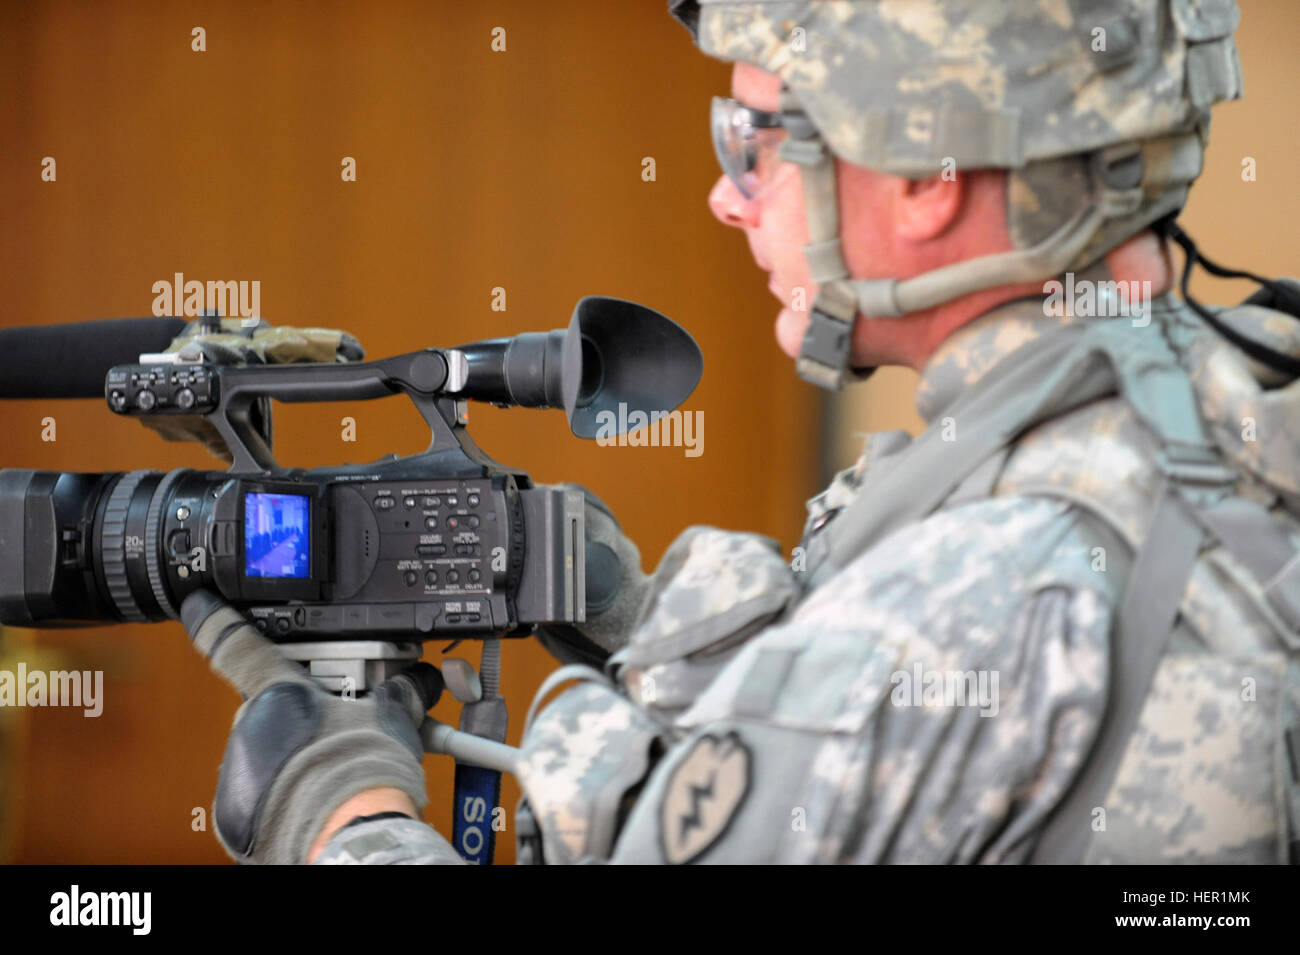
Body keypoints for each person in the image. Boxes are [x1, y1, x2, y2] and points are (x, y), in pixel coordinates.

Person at [180, 0, 1300, 864]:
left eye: (749, 137)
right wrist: (629, 615)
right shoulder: (1236, 422)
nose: (728, 194)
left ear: (921, 177)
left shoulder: (965, 599)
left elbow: (947, 657)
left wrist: (338, 810)